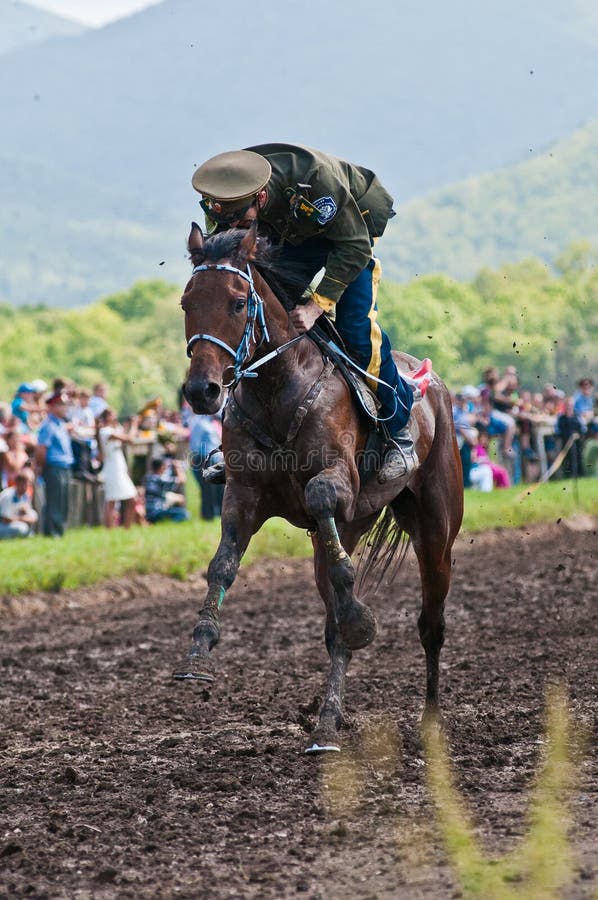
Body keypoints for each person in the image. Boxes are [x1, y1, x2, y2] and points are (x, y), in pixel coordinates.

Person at [191, 143, 418, 483]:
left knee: (355, 328)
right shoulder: (225, 200)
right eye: (227, 221)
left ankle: (400, 433)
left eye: (241, 220)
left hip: (346, 237)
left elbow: (354, 245)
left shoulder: (314, 185)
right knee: (253, 320)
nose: (233, 227)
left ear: (262, 199)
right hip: (286, 236)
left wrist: (316, 307)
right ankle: (236, 441)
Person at [35, 392, 74, 537]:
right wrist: (41, 466)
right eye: (61, 404)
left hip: (65, 467)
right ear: (52, 406)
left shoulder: (61, 424)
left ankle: (59, 530)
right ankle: (51, 532)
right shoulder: (49, 426)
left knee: (63, 500)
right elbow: (41, 449)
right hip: (53, 467)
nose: (65, 408)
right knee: (54, 500)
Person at [96, 408, 139, 528]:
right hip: (113, 470)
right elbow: (129, 439)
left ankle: (126, 528)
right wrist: (135, 424)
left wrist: (129, 425)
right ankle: (111, 530)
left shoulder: (113, 430)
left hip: (119, 469)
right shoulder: (105, 431)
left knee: (129, 500)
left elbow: (126, 434)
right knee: (112, 502)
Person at [189, 413, 224, 520]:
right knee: (208, 489)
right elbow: (196, 444)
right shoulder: (201, 423)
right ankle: (208, 515)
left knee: (218, 487)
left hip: (212, 458)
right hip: (204, 458)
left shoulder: (210, 423)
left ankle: (217, 513)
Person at [143, 458, 190, 524]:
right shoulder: (161, 479)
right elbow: (182, 480)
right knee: (185, 514)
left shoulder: (147, 477)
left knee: (177, 498)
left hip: (146, 510)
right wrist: (177, 467)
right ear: (161, 467)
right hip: (156, 510)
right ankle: (169, 523)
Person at [0, 469, 38, 539]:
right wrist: (23, 519)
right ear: (17, 483)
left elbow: (32, 515)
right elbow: (5, 519)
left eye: (26, 485)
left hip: (14, 521)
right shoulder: (8, 495)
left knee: (33, 515)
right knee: (21, 528)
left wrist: (25, 513)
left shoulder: (25, 495)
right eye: (22, 484)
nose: (24, 487)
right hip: (3, 524)